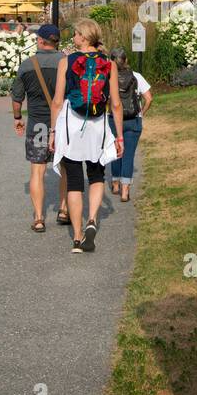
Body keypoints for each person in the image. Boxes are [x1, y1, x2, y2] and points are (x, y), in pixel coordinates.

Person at [49, 18, 123, 254]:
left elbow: (58, 101)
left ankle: (78, 237)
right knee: (97, 174)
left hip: (72, 125)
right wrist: (119, 136)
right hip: (97, 125)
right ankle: (92, 219)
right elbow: (116, 103)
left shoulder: (66, 62)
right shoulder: (108, 63)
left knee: (73, 180)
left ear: (83, 36)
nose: (73, 38)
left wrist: (52, 131)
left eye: (76, 34)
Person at [11, 25, 67, 233]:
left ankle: (38, 217)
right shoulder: (66, 62)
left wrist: (18, 117)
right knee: (66, 168)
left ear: (41, 41)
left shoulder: (27, 65)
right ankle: (63, 210)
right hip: (62, 124)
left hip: (38, 124)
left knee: (37, 170)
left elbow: (17, 98)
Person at [107, 48, 153, 203]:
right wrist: (141, 113)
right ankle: (125, 190)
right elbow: (149, 98)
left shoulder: (108, 77)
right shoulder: (136, 76)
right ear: (126, 60)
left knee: (115, 151)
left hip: (113, 119)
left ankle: (115, 183)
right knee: (128, 154)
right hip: (133, 120)